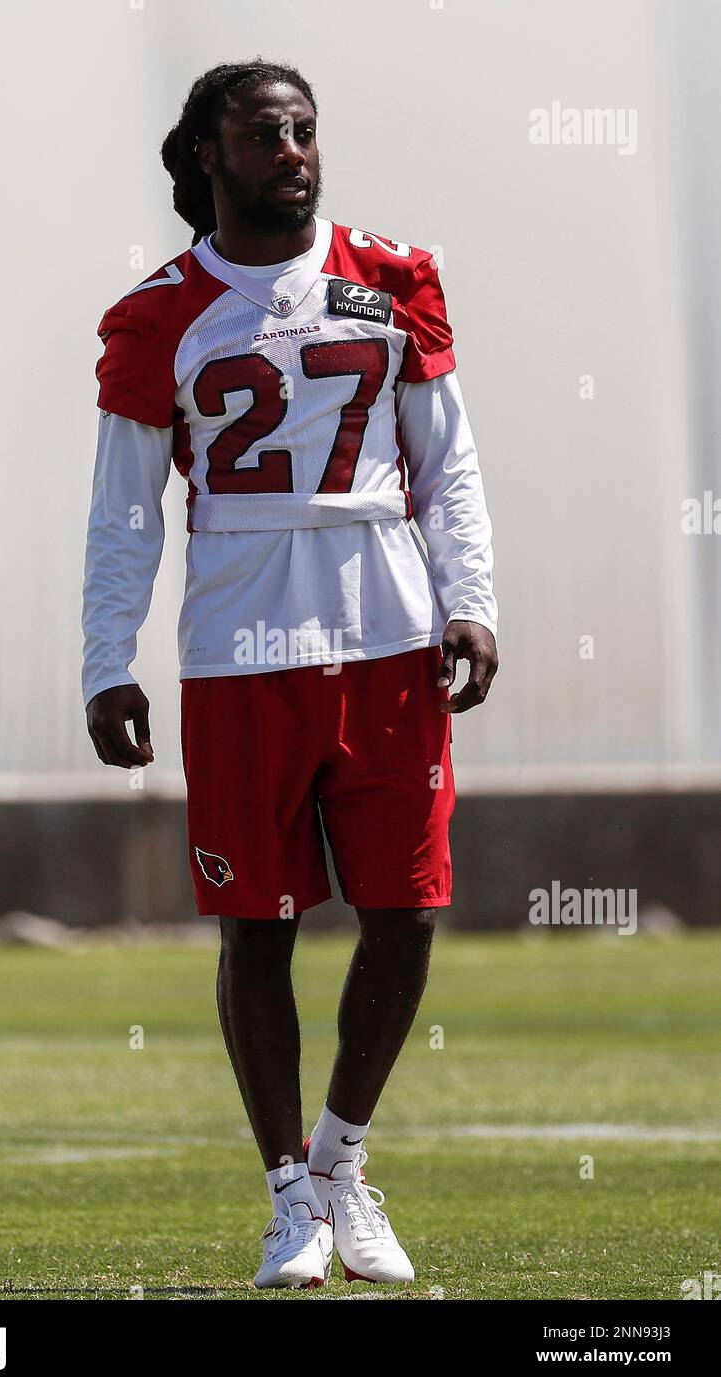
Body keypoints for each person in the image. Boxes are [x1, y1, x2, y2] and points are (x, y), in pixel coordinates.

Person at [82, 59, 498, 1290]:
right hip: (235, 652)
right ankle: (284, 1198)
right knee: (252, 926)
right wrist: (109, 661)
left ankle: (341, 1162)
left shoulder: (391, 277)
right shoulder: (156, 314)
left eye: (305, 131)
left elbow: (448, 463)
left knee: (406, 910)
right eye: (264, 133)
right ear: (206, 152)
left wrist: (468, 600)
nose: (293, 151)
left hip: (383, 635)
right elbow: (122, 514)